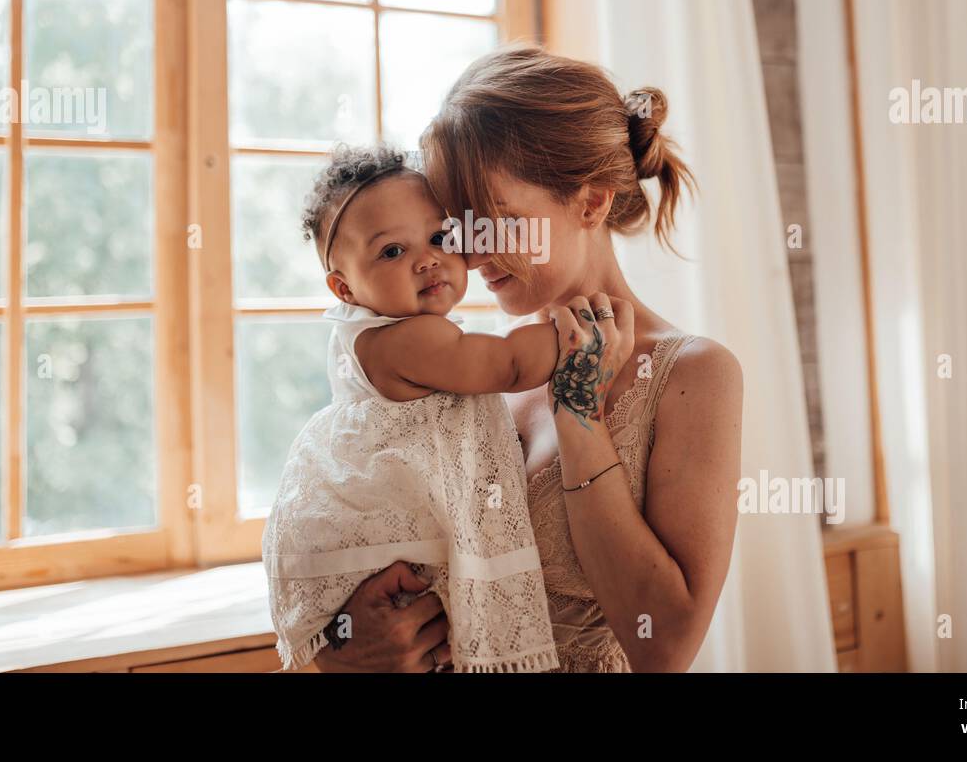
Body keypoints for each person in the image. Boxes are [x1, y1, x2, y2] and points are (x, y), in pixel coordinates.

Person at [309, 46, 743, 673]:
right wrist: (345, 650)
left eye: (494, 219)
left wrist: (580, 413)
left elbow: (664, 647)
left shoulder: (692, 375)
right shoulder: (467, 367)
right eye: (456, 223)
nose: (470, 249)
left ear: (590, 202)